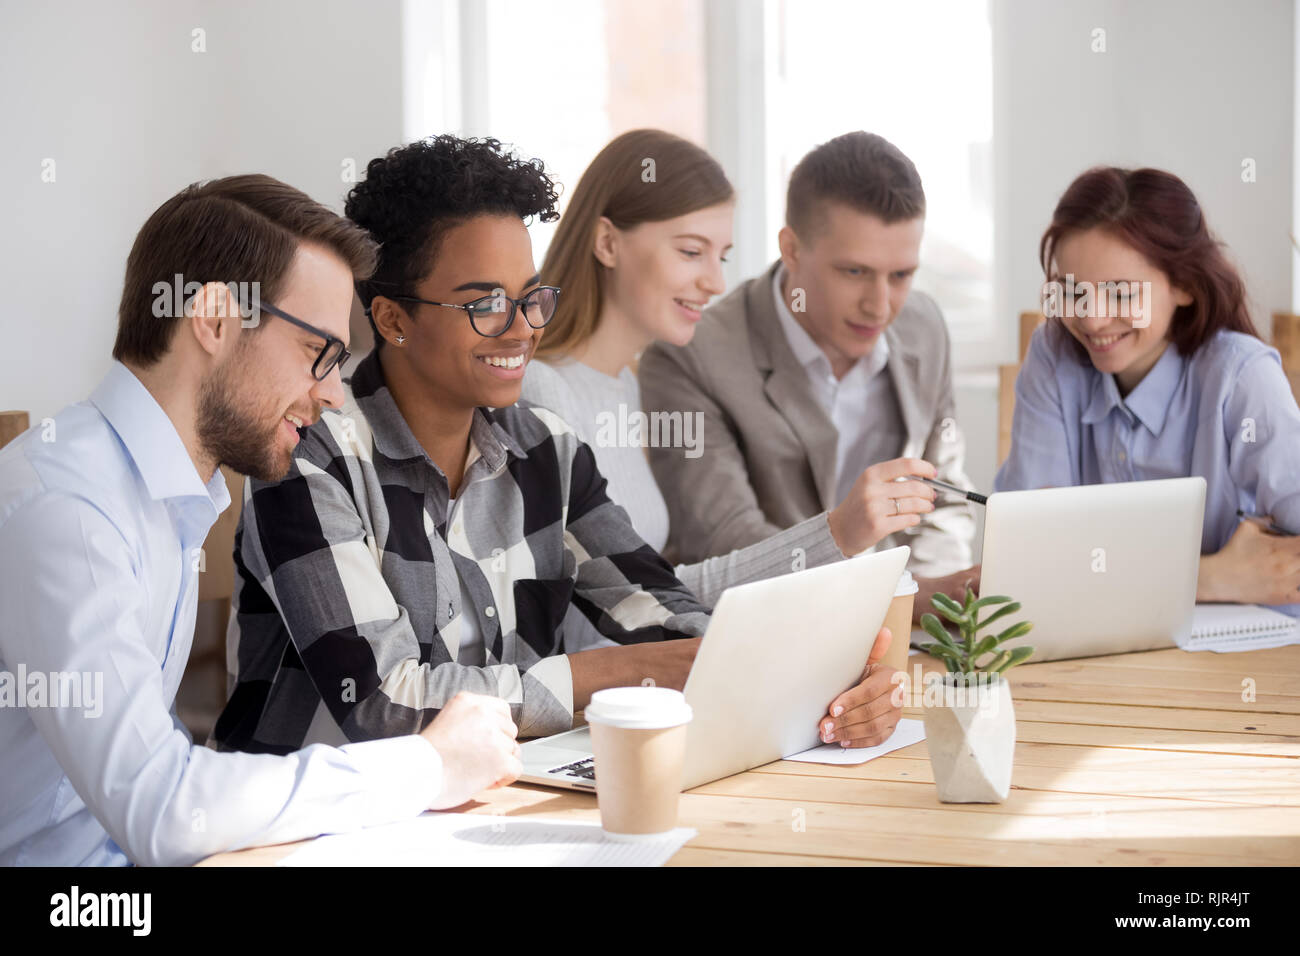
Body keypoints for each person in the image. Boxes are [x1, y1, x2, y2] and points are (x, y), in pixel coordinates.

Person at [212, 135, 908, 756]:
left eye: (529, 297)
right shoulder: (311, 453)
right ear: (393, 318)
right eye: (485, 304)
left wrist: (838, 684)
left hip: (492, 806)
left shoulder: (545, 447)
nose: (521, 330)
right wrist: (609, 675)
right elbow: (383, 700)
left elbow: (660, 611)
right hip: (315, 828)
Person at [0, 175, 520, 867]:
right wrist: (428, 764)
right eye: (318, 355)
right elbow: (162, 808)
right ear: (213, 319)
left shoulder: (168, 496)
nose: (334, 395)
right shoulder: (65, 507)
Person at [523, 129, 941, 640]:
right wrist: (837, 536)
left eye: (720, 256)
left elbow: (660, 588)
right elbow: (626, 606)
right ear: (608, 243)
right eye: (691, 251)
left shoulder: (626, 388)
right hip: (604, 705)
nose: (716, 283)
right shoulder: (541, 393)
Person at [639, 131, 979, 620]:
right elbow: (728, 550)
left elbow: (941, 505)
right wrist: (914, 598)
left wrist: (935, 623)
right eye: (855, 273)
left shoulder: (924, 327)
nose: (880, 306)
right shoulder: (690, 357)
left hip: (903, 637)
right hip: (758, 639)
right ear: (792, 249)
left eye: (901, 275)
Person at [997, 166, 1300, 615]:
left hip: (1239, 660)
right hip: (1096, 650)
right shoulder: (1054, 353)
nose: (1092, 319)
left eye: (1120, 294)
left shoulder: (1242, 376)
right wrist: (1212, 577)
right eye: (1071, 291)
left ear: (1186, 285)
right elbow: (1027, 561)